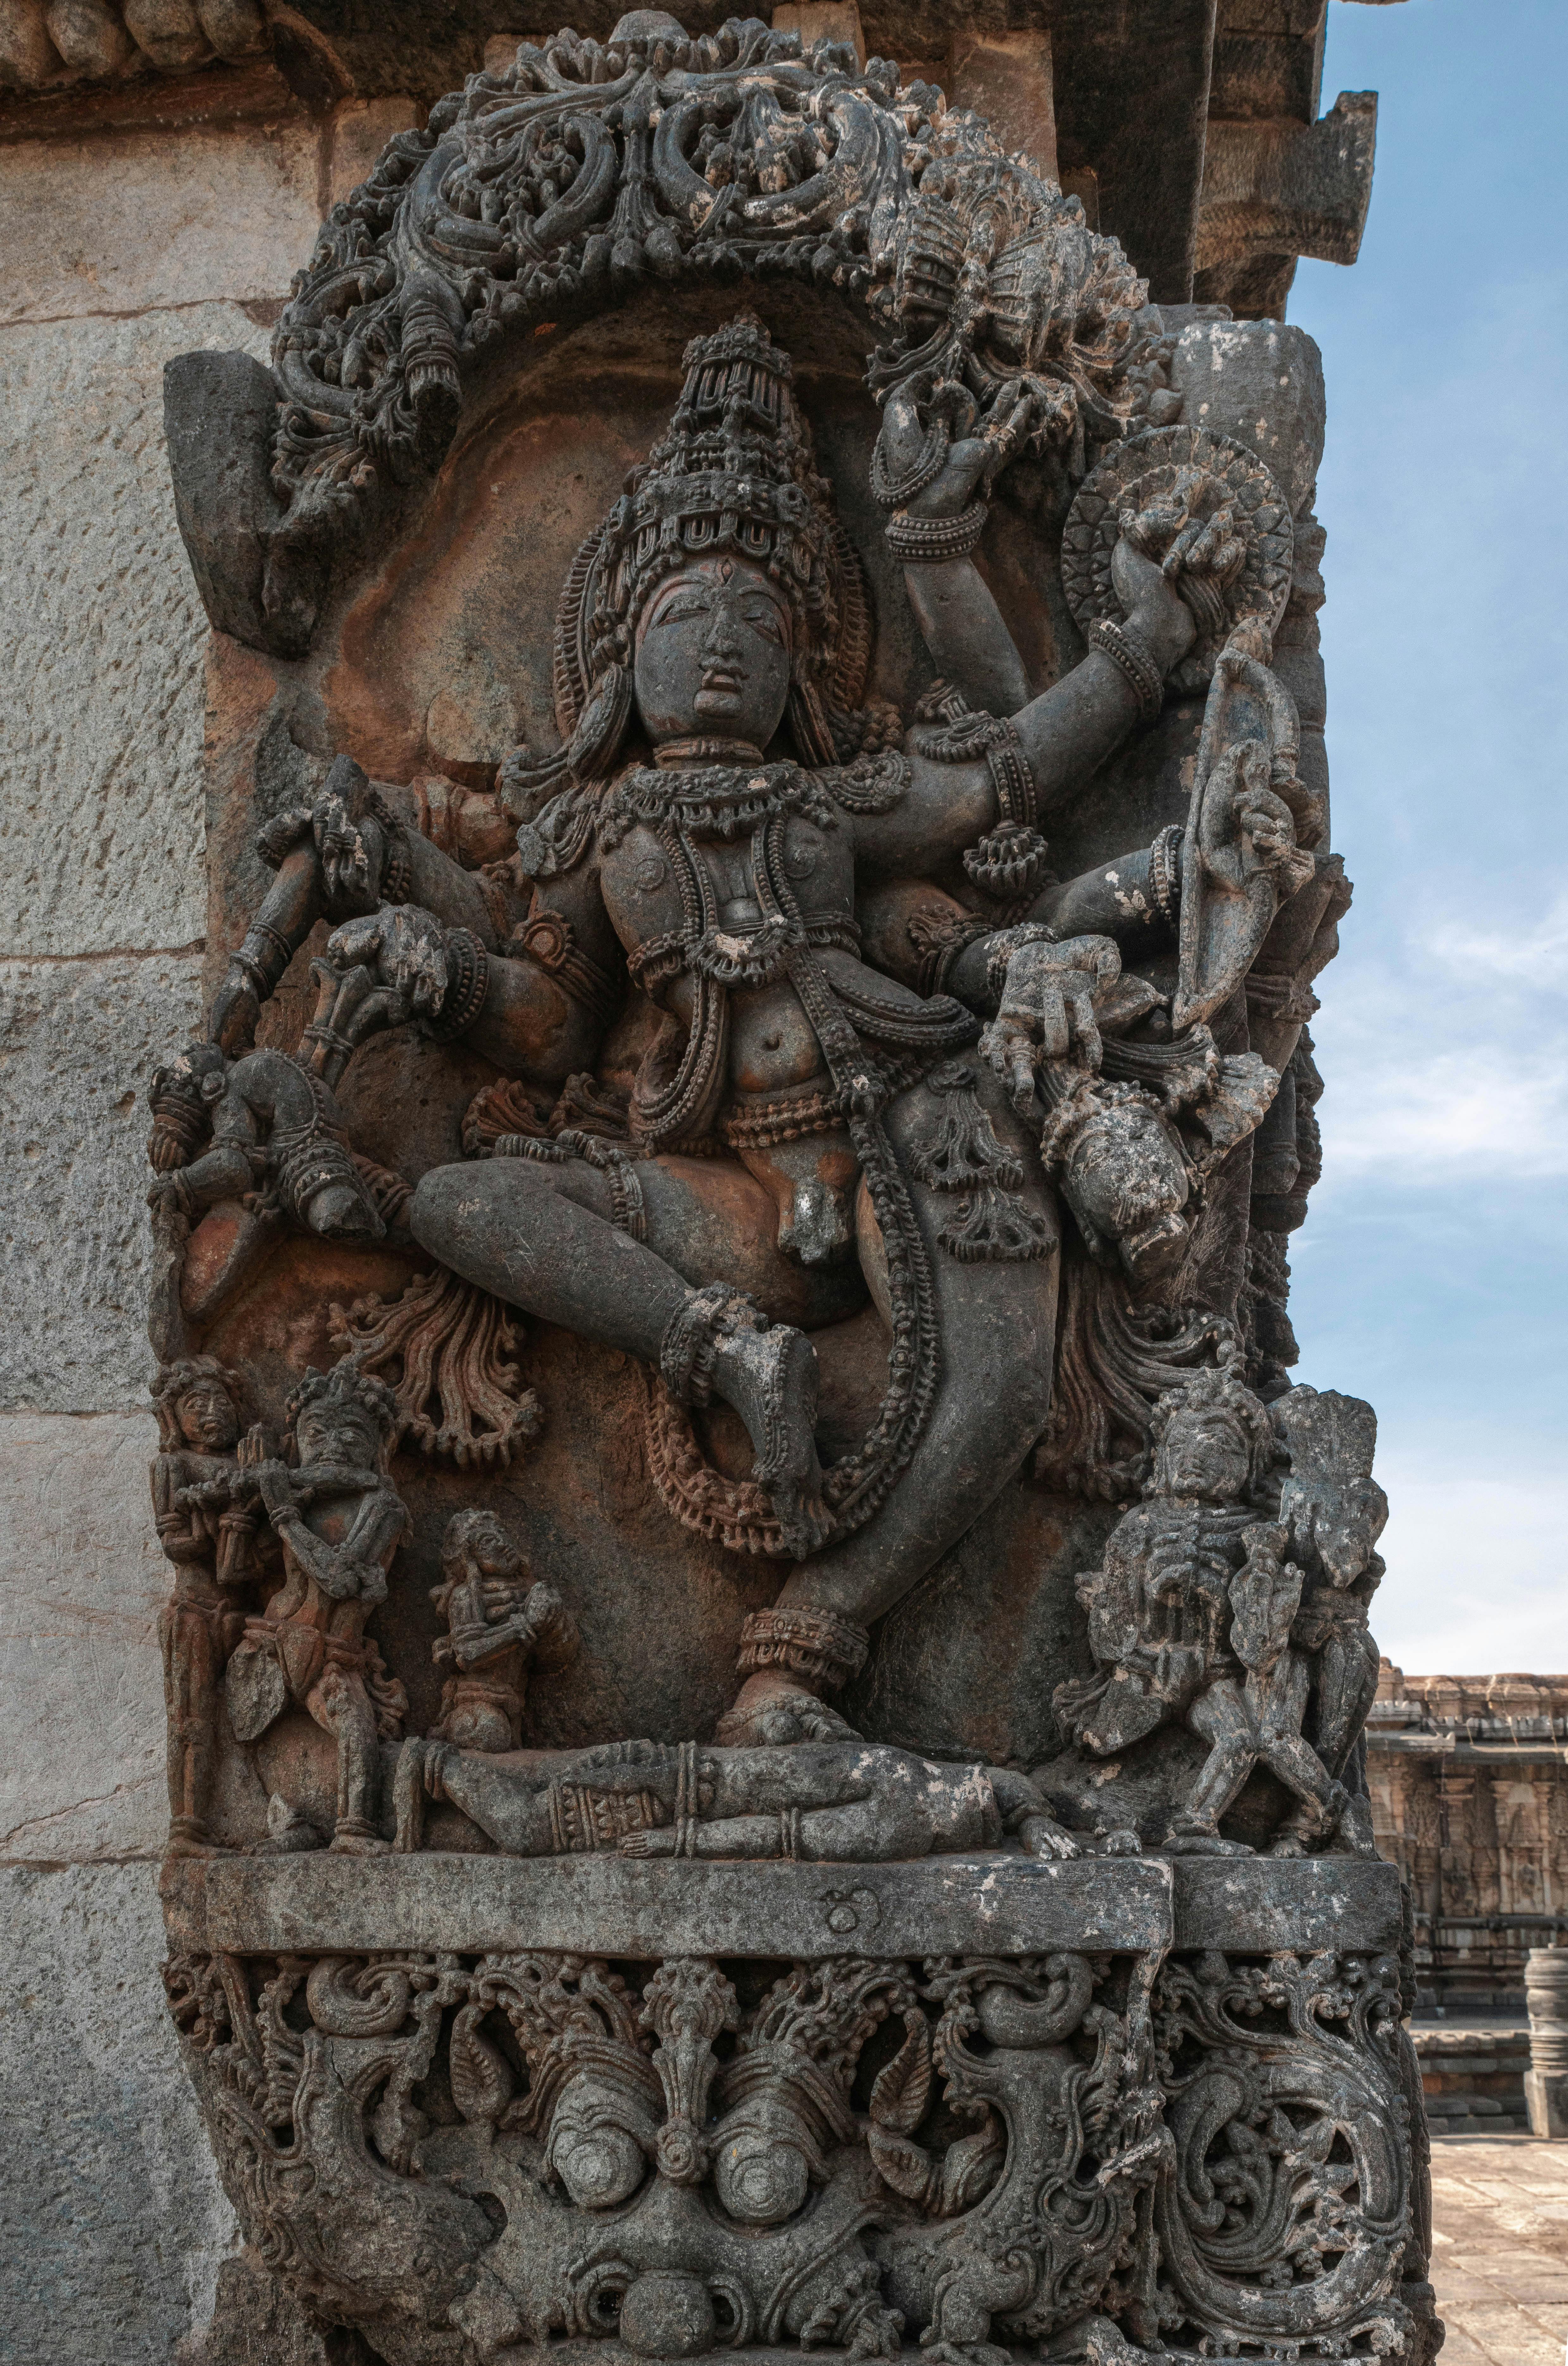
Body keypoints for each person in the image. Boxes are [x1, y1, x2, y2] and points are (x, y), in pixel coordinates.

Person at [209, 312, 1303, 1745]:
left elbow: (1004, 784)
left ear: (804, 661)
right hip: (719, 1178)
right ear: (619, 650)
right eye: (681, 618)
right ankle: (718, 1346)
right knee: (468, 1198)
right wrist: (445, 975)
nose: (719, 645)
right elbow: (549, 1023)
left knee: (999, 1387)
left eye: (755, 623)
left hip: (901, 1114)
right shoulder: (598, 834)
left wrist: (1145, 648)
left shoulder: (833, 804)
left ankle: (810, 1642)